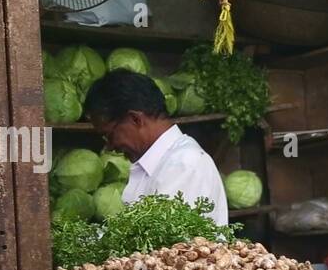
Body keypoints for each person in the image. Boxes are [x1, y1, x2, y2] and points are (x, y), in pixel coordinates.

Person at [83, 69, 228, 225]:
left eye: (110, 135)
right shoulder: (155, 165)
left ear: (135, 119)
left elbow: (166, 244)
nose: (110, 147)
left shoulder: (185, 164)